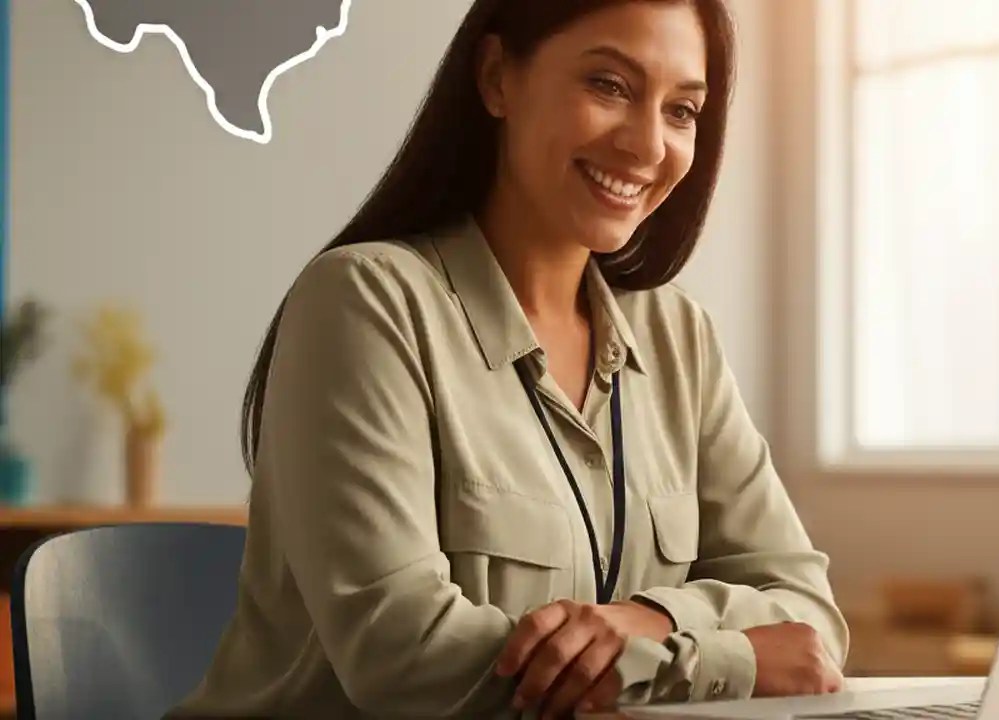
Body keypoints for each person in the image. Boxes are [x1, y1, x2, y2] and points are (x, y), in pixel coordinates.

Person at [168, 0, 848, 717]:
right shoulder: (366, 302)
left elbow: (810, 621)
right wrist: (722, 657)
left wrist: (651, 619)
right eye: (610, 86)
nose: (649, 145)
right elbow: (405, 658)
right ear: (497, 78)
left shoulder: (680, 337)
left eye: (682, 110)